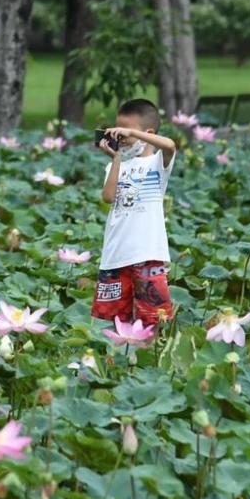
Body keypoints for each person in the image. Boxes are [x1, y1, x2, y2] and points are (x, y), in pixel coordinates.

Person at [93, 98, 180, 330]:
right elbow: (108, 197)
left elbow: (170, 145)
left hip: (147, 253)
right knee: (113, 325)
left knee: (154, 322)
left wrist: (133, 132)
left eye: (125, 136)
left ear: (147, 133)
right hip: (115, 253)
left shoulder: (157, 163)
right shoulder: (116, 164)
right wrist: (116, 159)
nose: (120, 140)